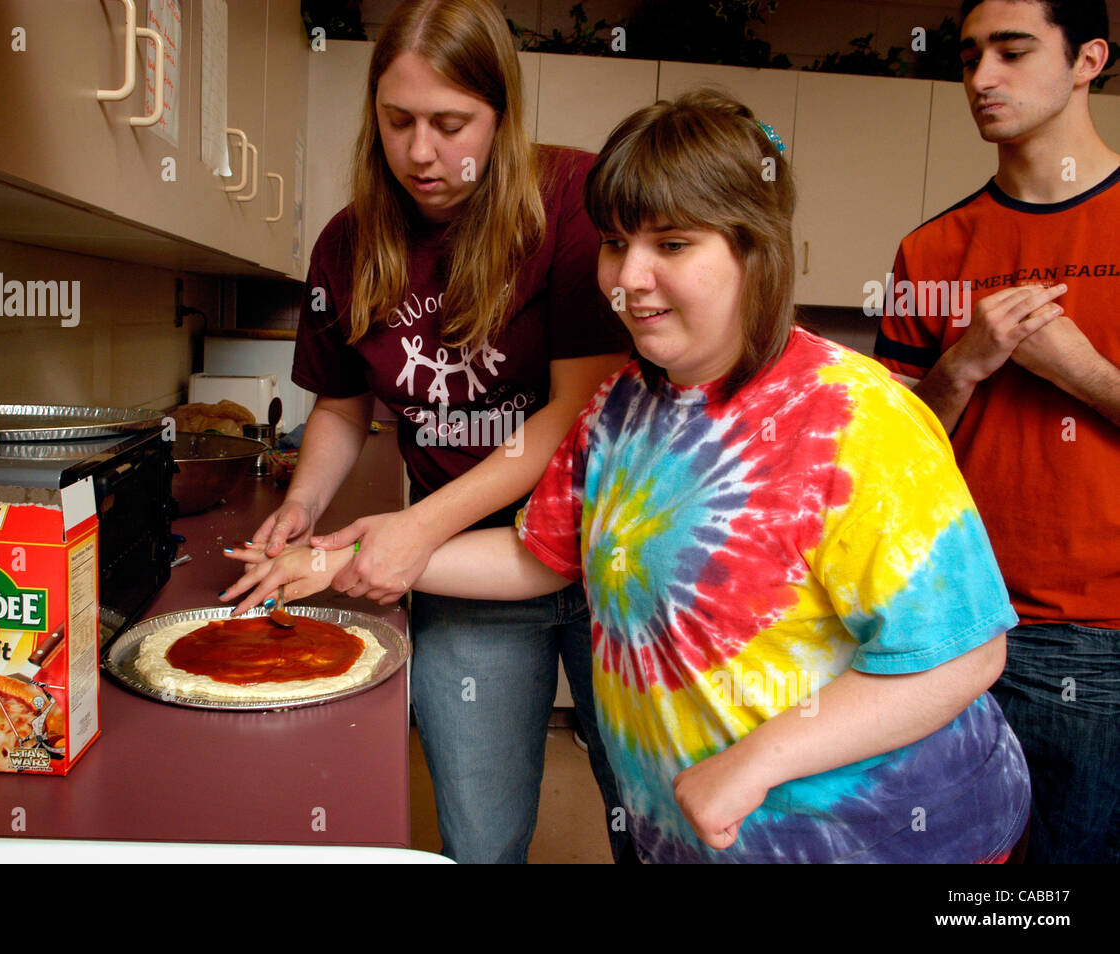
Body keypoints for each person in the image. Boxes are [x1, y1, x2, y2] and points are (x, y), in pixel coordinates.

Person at [235, 90, 1032, 864]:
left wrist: (754, 764)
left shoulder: (859, 420)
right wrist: (342, 558)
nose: (628, 277)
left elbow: (961, 657)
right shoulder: (623, 404)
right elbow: (541, 556)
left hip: (886, 840)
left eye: (673, 245)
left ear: (756, 247)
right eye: (617, 242)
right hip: (696, 835)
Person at [220, 0, 631, 864]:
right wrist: (303, 500)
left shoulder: (572, 204)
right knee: (480, 840)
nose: (420, 153)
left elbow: (571, 415)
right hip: (467, 570)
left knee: (651, 818)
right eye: (398, 121)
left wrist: (414, 528)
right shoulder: (347, 244)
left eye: (452, 124)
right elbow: (342, 404)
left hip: (609, 557)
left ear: (503, 115)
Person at [873, 0, 1120, 864]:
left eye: (1013, 53)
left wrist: (1080, 372)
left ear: (1089, 58)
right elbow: (893, 458)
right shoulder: (930, 250)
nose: (981, 79)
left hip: (1102, 635)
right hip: (953, 621)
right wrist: (965, 366)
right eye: (970, 55)